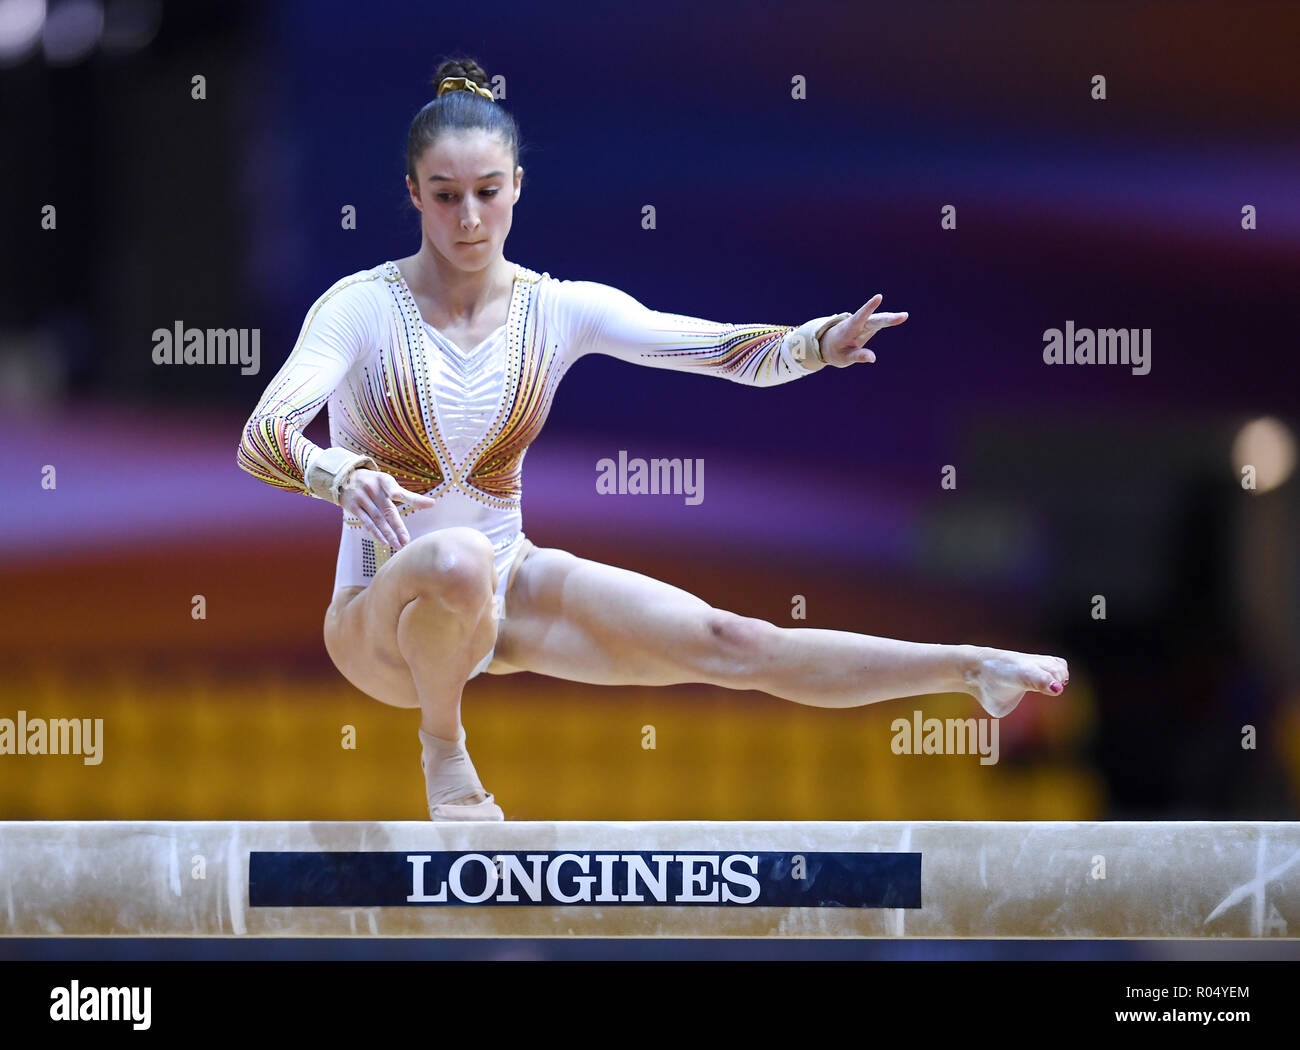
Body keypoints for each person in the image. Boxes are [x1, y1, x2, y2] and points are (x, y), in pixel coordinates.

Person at [237, 57, 1069, 821]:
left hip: (508, 588)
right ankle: (444, 749)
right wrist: (338, 472)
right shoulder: (359, 308)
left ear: (518, 186)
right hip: (379, 620)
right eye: (445, 194)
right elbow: (263, 437)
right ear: (412, 193)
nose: (469, 216)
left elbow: (714, 349)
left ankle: (968, 668)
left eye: (488, 191)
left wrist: (813, 344)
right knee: (452, 560)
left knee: (734, 641)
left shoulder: (558, 309)